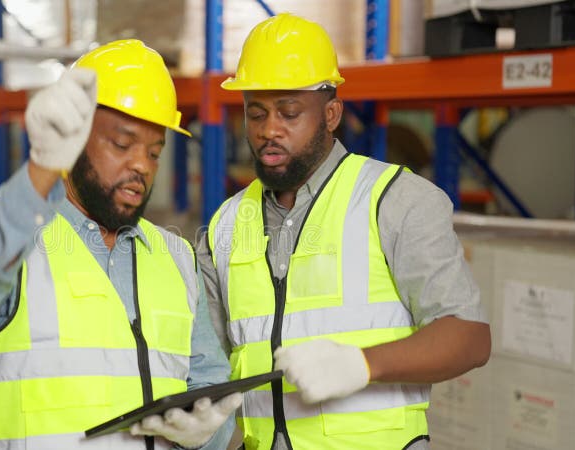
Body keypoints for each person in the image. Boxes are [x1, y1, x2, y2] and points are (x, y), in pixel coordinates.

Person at [196, 14, 491, 450]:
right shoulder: (225, 224)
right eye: (255, 113)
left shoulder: (395, 200)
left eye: (289, 113)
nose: (269, 130)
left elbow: (470, 337)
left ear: (331, 114)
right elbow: (210, 364)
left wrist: (362, 365)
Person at [0, 39, 241, 450]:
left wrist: (207, 433)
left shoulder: (177, 257)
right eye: (122, 144)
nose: (141, 165)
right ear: (74, 139)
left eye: (154, 152)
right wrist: (41, 169)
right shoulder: (4, 230)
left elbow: (210, 388)